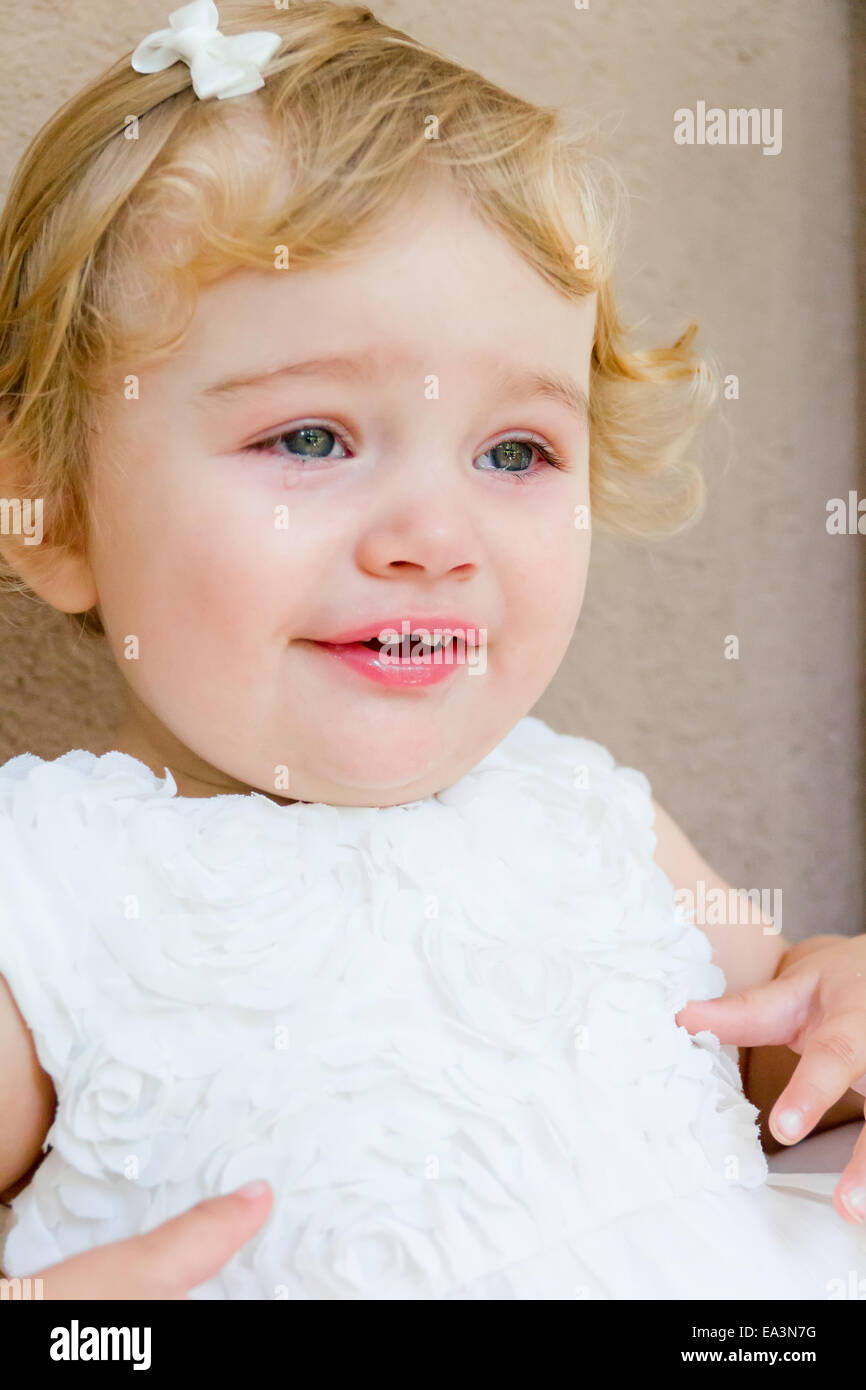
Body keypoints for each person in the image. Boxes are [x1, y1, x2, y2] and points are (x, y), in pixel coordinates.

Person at [0, 0, 864, 1300]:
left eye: (513, 451)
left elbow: (787, 1038)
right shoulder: (49, 887)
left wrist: (837, 1000)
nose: (432, 535)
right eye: (309, 438)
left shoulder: (587, 813)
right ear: (50, 510)